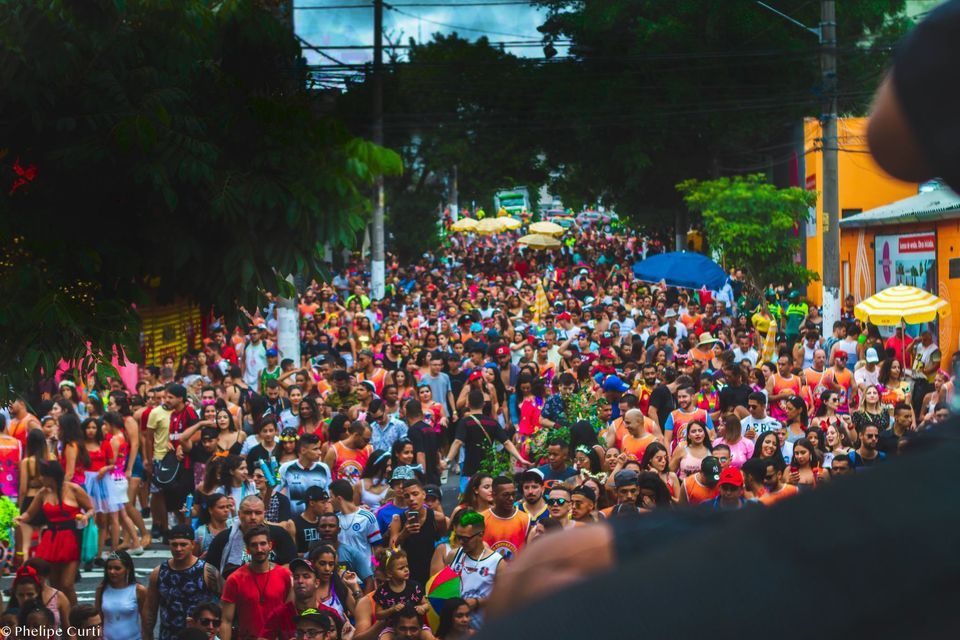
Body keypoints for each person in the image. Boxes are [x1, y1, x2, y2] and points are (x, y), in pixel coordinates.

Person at [14, 460, 93, 604]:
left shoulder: (73, 489)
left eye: (43, 475)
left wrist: (85, 517)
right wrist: (20, 518)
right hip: (52, 539)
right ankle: (59, 612)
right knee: (55, 584)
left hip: (71, 538)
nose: (40, 478)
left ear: (52, 476)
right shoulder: (43, 493)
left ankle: (75, 613)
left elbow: (91, 508)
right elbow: (29, 514)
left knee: (67, 584)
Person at [144, 525, 222, 640]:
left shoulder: (207, 572)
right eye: (174, 544)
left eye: (183, 544)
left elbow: (226, 602)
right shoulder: (159, 573)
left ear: (192, 544)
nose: (178, 549)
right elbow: (150, 610)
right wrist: (147, 635)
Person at [443, 391, 530, 492]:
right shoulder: (492, 422)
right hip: (488, 468)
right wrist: (520, 459)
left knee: (469, 496)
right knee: (488, 495)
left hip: (470, 469)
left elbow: (457, 442)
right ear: (483, 404)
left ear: (468, 404)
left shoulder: (465, 422)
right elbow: (506, 442)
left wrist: (447, 461)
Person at [220, 525, 293, 640]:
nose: (259, 549)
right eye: (254, 545)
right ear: (247, 549)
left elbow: (289, 616)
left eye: (263, 544)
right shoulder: (235, 579)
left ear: (270, 545)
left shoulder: (284, 575)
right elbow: (226, 621)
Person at [205, 495, 297, 578]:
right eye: (248, 512)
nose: (253, 517)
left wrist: (267, 578)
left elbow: (292, 564)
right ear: (239, 514)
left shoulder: (279, 534)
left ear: (264, 514)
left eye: (258, 513)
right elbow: (210, 571)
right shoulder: (223, 539)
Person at [445, 510, 503, 630]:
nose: (461, 542)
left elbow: (505, 597)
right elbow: (444, 586)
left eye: (465, 539)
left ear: (480, 535)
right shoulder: (453, 556)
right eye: (458, 537)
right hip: (456, 629)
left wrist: (477, 602)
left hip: (483, 628)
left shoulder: (497, 562)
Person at [390, 478, 448, 587]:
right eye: (407, 496)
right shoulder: (398, 520)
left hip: (432, 571)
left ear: (423, 495)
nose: (411, 499)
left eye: (415, 494)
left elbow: (445, 544)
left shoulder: (438, 518)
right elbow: (392, 549)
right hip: (409, 574)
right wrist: (403, 534)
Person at [329, 479, 381, 588]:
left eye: (331, 497)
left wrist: (376, 570)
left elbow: (377, 549)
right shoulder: (335, 520)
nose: (329, 501)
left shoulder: (367, 517)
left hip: (364, 579)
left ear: (339, 498)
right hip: (342, 579)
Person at [95, 550, 146, 640]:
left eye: (117, 568)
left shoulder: (138, 590)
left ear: (127, 569)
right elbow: (98, 620)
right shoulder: (101, 589)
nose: (112, 571)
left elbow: (146, 621)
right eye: (109, 568)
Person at [279, 433, 332, 516]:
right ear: (303, 450)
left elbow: (328, 496)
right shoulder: (285, 468)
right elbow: (275, 492)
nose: (320, 452)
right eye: (315, 449)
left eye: (319, 448)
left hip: (319, 519)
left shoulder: (324, 468)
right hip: (293, 519)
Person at [481, 476, 531, 559]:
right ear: (494, 495)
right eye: (505, 495)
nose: (511, 498)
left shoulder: (525, 519)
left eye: (513, 494)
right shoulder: (482, 519)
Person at [293, 485, 330, 554]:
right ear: (312, 503)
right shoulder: (295, 523)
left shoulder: (325, 522)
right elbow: (293, 553)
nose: (326, 506)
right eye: (323, 502)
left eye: (327, 502)